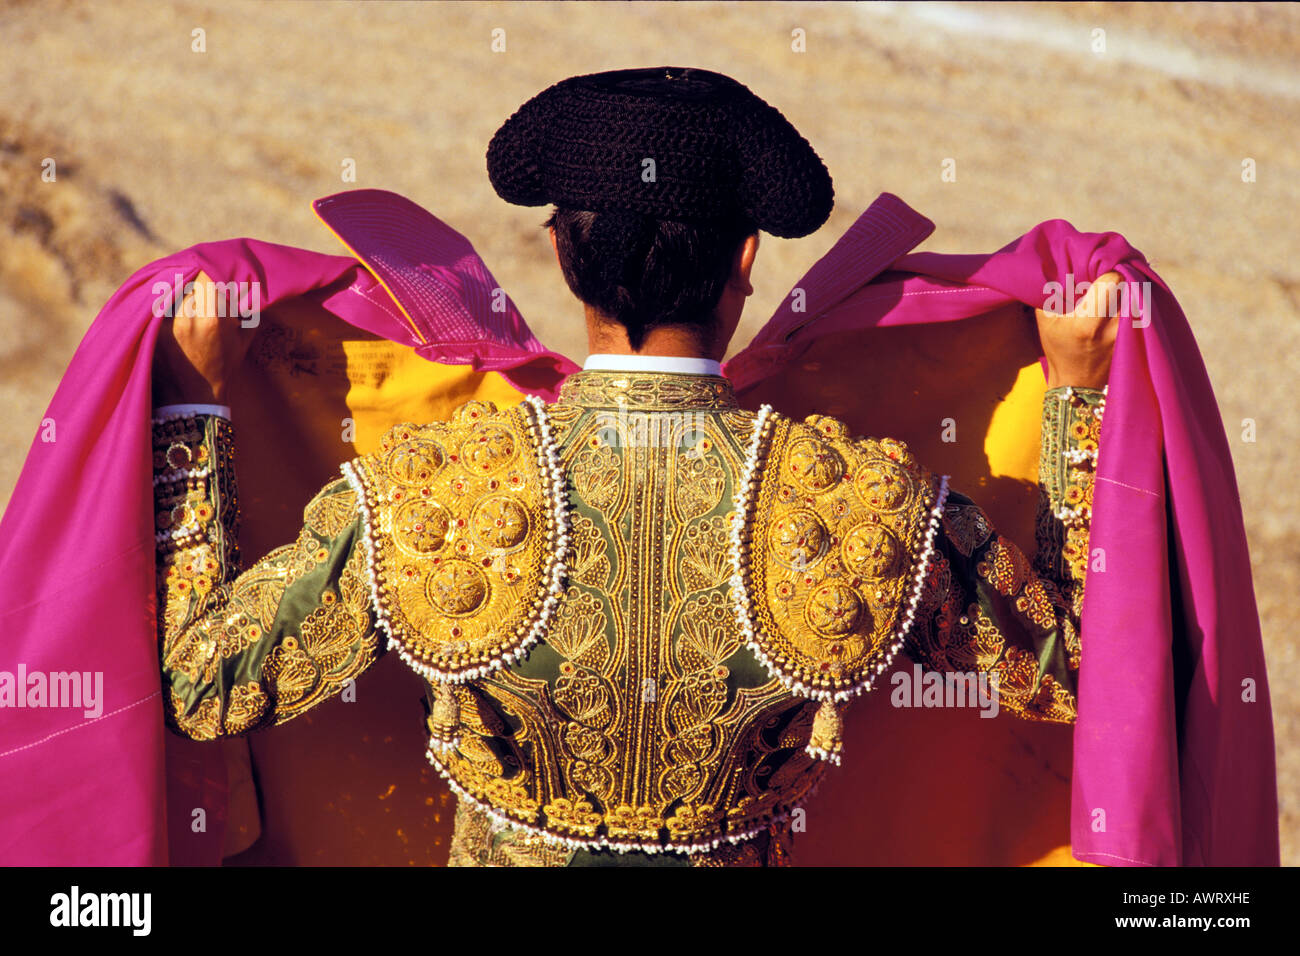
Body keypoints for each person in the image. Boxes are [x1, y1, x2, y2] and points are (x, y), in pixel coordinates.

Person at [149, 67, 1115, 866]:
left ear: (566, 258)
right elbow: (1076, 671)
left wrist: (194, 410)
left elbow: (202, 685)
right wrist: (1079, 398)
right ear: (746, 259)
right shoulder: (867, 500)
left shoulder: (428, 488)